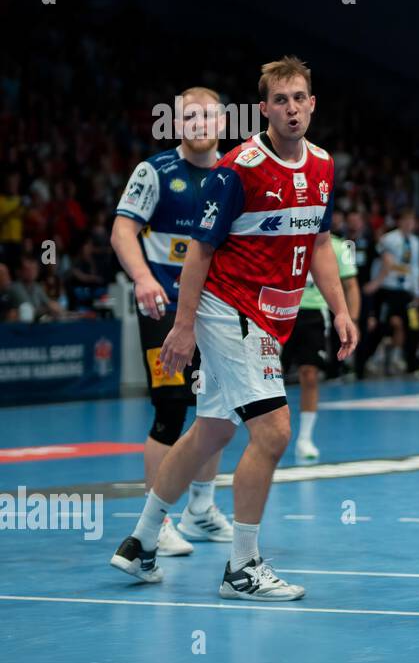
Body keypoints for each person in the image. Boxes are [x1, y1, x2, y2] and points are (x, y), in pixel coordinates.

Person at [110, 56, 357, 600]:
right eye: (280, 101)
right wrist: (183, 326)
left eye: (300, 99)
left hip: (277, 317)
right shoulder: (237, 168)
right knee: (272, 433)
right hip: (232, 310)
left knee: (213, 431)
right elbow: (199, 253)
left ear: (312, 104)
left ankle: (141, 541)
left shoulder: (322, 166)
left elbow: (317, 243)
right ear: (264, 108)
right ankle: (241, 569)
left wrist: (340, 309)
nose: (291, 109)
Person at [110, 87, 234, 555]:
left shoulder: (232, 175)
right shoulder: (154, 172)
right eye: (190, 117)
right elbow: (122, 231)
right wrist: (143, 279)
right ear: (177, 124)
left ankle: (201, 511)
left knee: (217, 408)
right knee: (170, 406)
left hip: (216, 311)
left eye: (208, 117)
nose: (199, 124)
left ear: (221, 124)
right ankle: (155, 520)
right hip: (163, 308)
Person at [284, 232, 360, 459]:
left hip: (314, 314)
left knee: (309, 374)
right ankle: (266, 435)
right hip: (280, 310)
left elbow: (351, 284)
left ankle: (305, 439)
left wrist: (352, 320)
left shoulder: (337, 246)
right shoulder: (285, 236)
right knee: (270, 377)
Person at [358, 209, 419, 376]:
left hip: (406, 291)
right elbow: (380, 263)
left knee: (413, 325)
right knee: (380, 327)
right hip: (387, 290)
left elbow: (415, 268)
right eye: (406, 221)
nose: (409, 224)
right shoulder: (388, 239)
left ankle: (412, 367)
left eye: (412, 221)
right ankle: (364, 363)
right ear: (400, 222)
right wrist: (375, 284)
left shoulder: (415, 242)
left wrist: (417, 292)